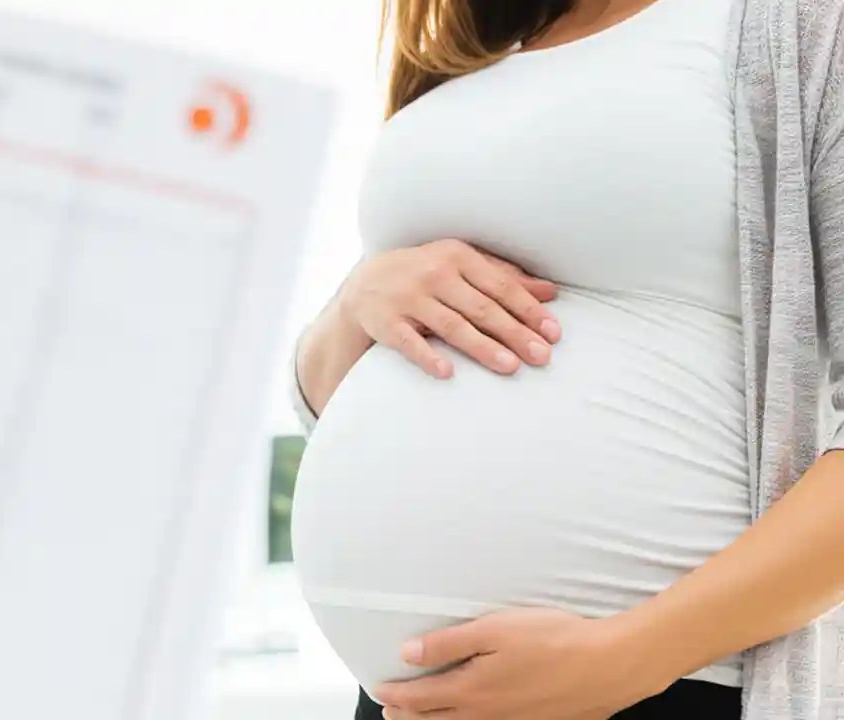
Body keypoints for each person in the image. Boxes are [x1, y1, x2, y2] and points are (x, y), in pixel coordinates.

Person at [288, 0, 844, 718]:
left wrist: (630, 657)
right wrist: (355, 302)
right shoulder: (477, 58)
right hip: (406, 700)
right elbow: (321, 403)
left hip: (660, 686)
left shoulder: (800, 27)